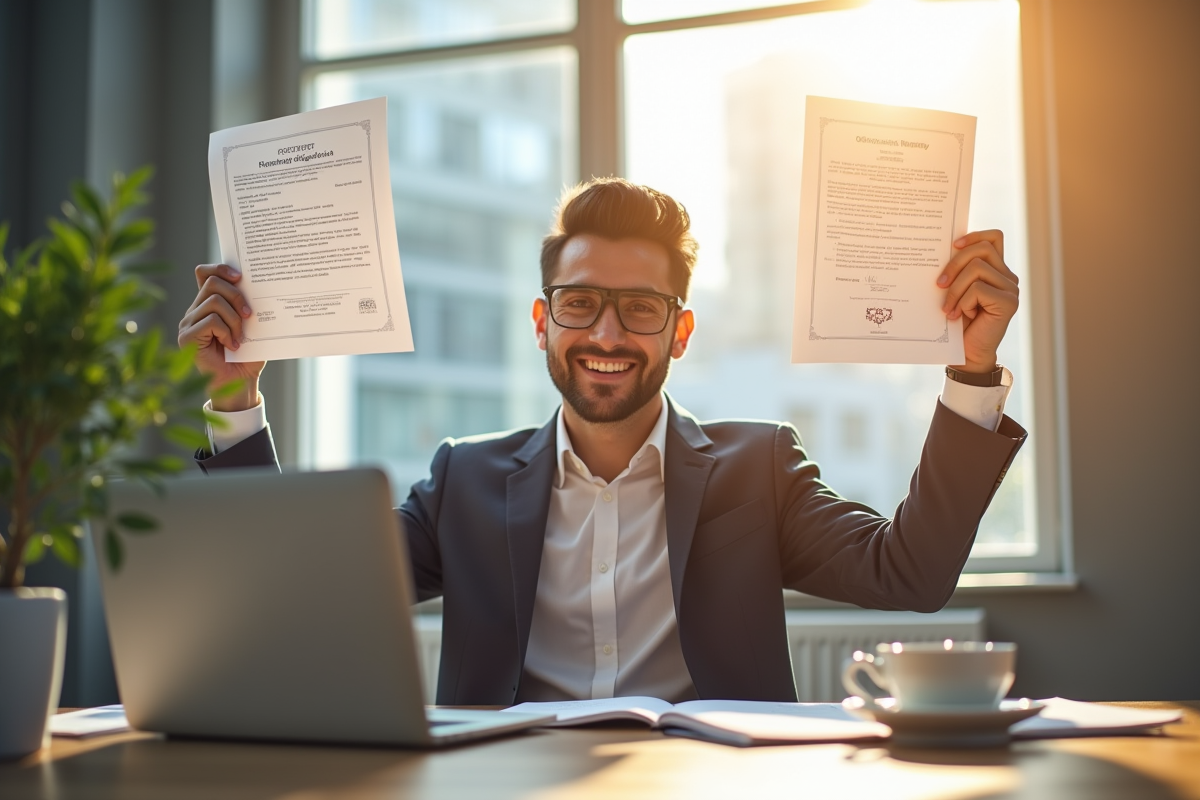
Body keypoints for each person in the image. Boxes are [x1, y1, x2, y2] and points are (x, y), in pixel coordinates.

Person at [178, 178, 1025, 705]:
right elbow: (304, 597)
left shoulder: (757, 468)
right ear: (543, 323)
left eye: (642, 308)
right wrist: (233, 400)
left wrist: (973, 372)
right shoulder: (464, 479)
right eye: (580, 303)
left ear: (680, 331)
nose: (608, 332)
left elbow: (910, 574)